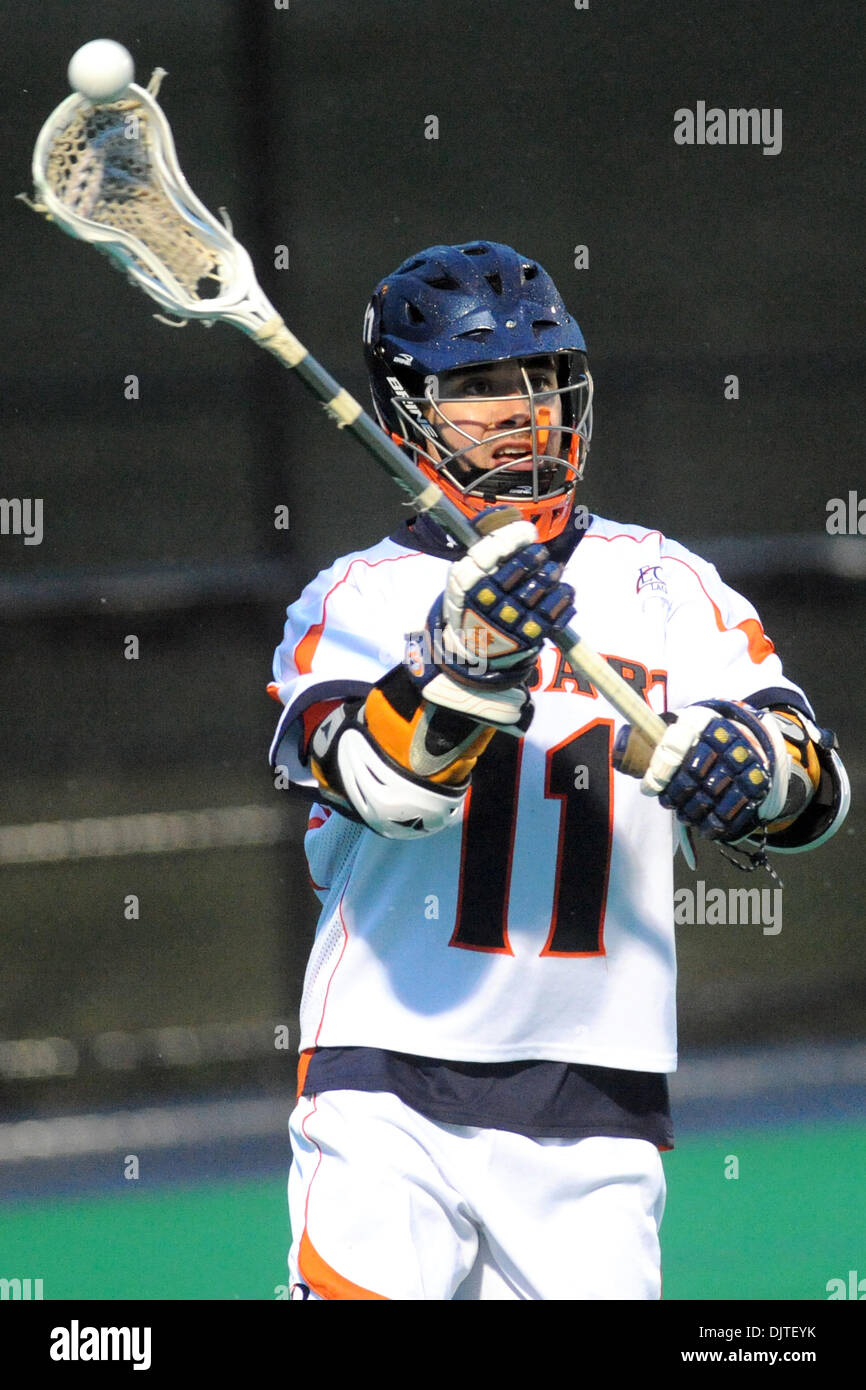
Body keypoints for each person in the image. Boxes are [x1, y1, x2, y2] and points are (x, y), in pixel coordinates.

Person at [268, 241, 849, 1300]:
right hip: (388, 1089)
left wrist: (750, 768)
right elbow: (389, 791)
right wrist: (468, 663)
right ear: (407, 410)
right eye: (478, 386)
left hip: (595, 1105)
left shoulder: (667, 587)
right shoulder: (349, 602)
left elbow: (815, 788)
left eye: (539, 378)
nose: (521, 408)